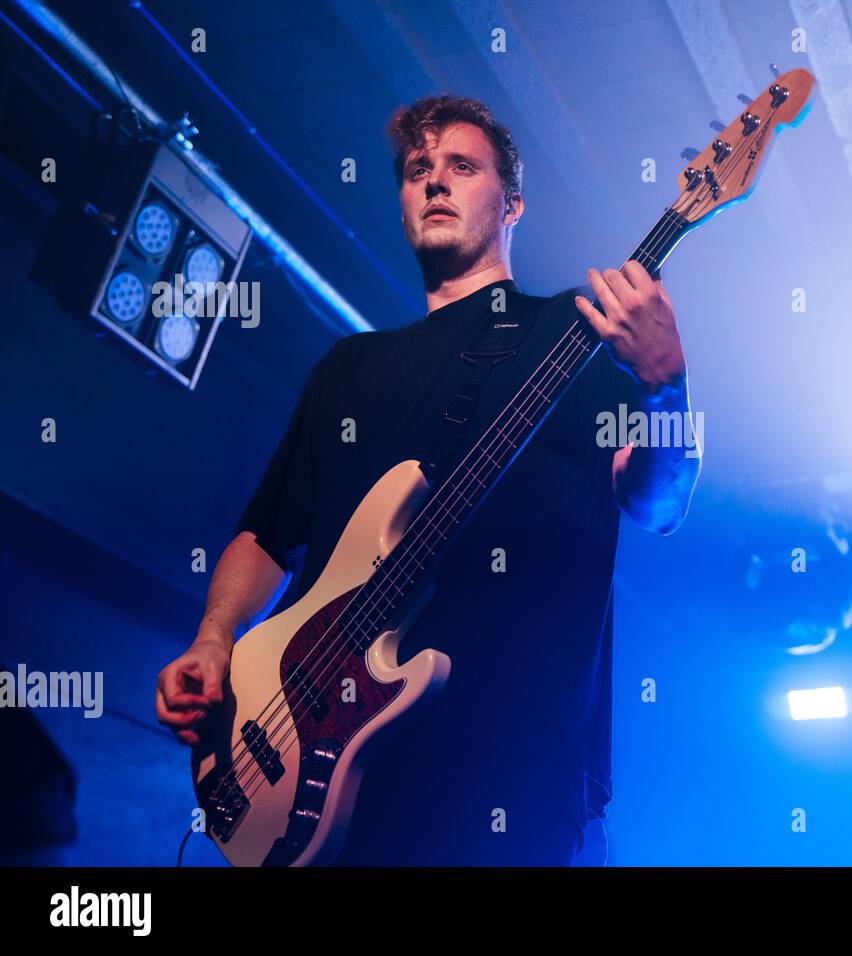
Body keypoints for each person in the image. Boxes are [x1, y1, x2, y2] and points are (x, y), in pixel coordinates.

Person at [155, 95, 700, 865]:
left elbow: (661, 503)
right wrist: (214, 639)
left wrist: (668, 387)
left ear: (512, 203)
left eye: (461, 167)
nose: (434, 183)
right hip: (326, 786)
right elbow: (266, 533)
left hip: (512, 793)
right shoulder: (348, 369)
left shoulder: (573, 334)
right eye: (418, 171)